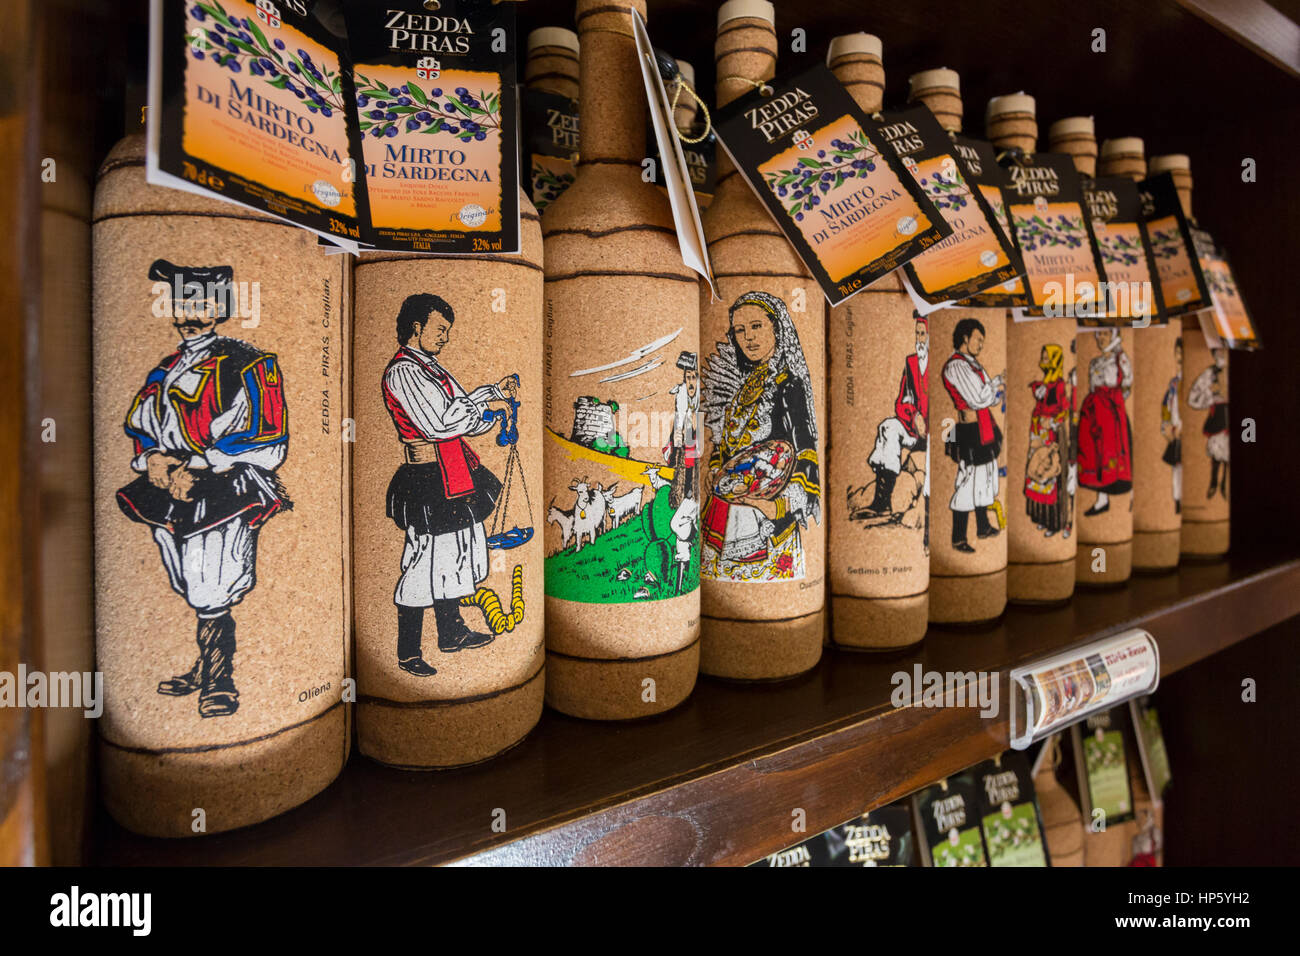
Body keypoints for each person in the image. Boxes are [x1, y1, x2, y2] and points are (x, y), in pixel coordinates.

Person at [117, 259, 289, 718]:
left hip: (223, 490)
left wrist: (200, 463)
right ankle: (207, 663)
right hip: (169, 487)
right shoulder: (167, 366)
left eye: (199, 303)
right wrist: (152, 459)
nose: (188, 313)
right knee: (187, 580)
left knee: (212, 586)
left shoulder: (247, 361)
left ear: (219, 308)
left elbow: (269, 438)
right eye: (181, 302)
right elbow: (142, 424)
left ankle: (219, 680)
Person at [382, 293, 517, 676]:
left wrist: (494, 404)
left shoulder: (433, 369)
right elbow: (439, 423)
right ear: (417, 327)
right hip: (427, 476)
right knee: (424, 558)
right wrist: (483, 404)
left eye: (448, 332)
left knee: (456, 552)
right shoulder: (403, 371)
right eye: (440, 330)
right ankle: (408, 651)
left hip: (454, 471)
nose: (444, 338)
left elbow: (464, 417)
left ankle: (451, 633)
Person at [701, 290, 819, 581]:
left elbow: (806, 453)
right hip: (725, 508)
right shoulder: (743, 388)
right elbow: (728, 443)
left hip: (767, 518)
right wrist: (716, 468)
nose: (748, 337)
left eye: (757, 326)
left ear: (776, 329)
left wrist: (775, 506)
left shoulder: (789, 387)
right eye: (740, 330)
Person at [942, 317, 1004, 553]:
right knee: (969, 480)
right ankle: (958, 537)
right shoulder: (956, 366)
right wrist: (994, 386)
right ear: (965, 338)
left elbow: (989, 396)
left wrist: (992, 389)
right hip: (969, 429)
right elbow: (978, 399)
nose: (980, 345)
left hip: (984, 426)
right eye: (978, 340)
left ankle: (983, 526)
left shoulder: (972, 364)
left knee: (986, 477)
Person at [864, 313, 929, 520]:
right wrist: (914, 415)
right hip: (914, 429)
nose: (919, 339)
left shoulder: (939, 361)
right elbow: (901, 401)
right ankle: (881, 502)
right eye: (917, 334)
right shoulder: (910, 363)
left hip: (937, 431)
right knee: (888, 427)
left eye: (923, 334)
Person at [1077, 328, 1134, 516]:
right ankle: (1102, 500)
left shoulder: (1121, 359)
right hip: (1094, 410)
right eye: (1099, 334)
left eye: (1105, 334)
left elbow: (1127, 384)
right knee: (1095, 453)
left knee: (1114, 451)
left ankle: (1128, 497)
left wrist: (1113, 402)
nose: (1101, 338)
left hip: (1111, 411)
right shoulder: (1095, 361)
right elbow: (1092, 384)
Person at [1025, 344, 1069, 537]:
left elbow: (1064, 410)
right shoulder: (1043, 384)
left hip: (1051, 435)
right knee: (1036, 473)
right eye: (1043, 357)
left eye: (1047, 357)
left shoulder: (1059, 385)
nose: (1043, 360)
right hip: (1038, 434)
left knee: (1050, 475)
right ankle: (1040, 518)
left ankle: (1052, 522)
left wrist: (1052, 421)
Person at [1187, 346, 1229, 499]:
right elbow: (1193, 399)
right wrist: (1212, 393)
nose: (1221, 354)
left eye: (1223, 350)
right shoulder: (1210, 374)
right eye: (1218, 351)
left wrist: (1249, 437)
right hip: (1218, 416)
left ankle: (1226, 486)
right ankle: (1213, 483)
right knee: (1217, 454)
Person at [1161, 337, 1183, 511]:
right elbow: (1166, 406)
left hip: (1185, 432)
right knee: (1176, 468)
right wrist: (1166, 426)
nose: (1180, 357)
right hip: (1175, 431)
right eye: (1177, 353)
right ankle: (1177, 501)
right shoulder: (1174, 383)